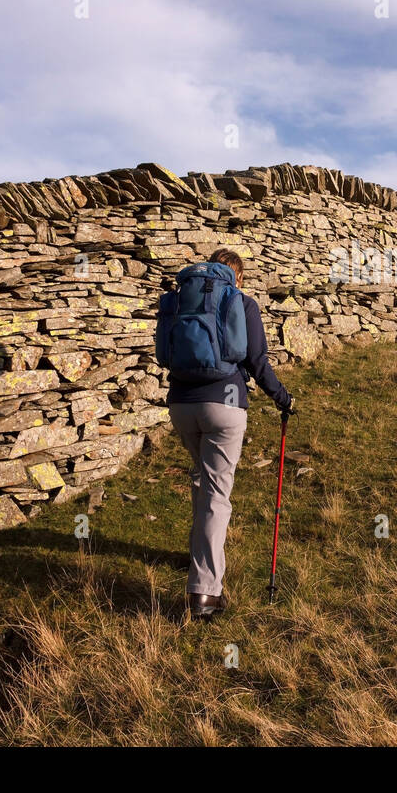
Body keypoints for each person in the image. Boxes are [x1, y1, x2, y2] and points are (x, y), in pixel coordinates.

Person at [159, 248, 294, 620]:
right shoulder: (240, 301)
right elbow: (256, 361)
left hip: (181, 404)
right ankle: (205, 593)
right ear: (238, 276)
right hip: (225, 403)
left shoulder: (186, 299)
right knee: (217, 495)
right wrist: (283, 398)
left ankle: (197, 552)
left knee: (202, 478)